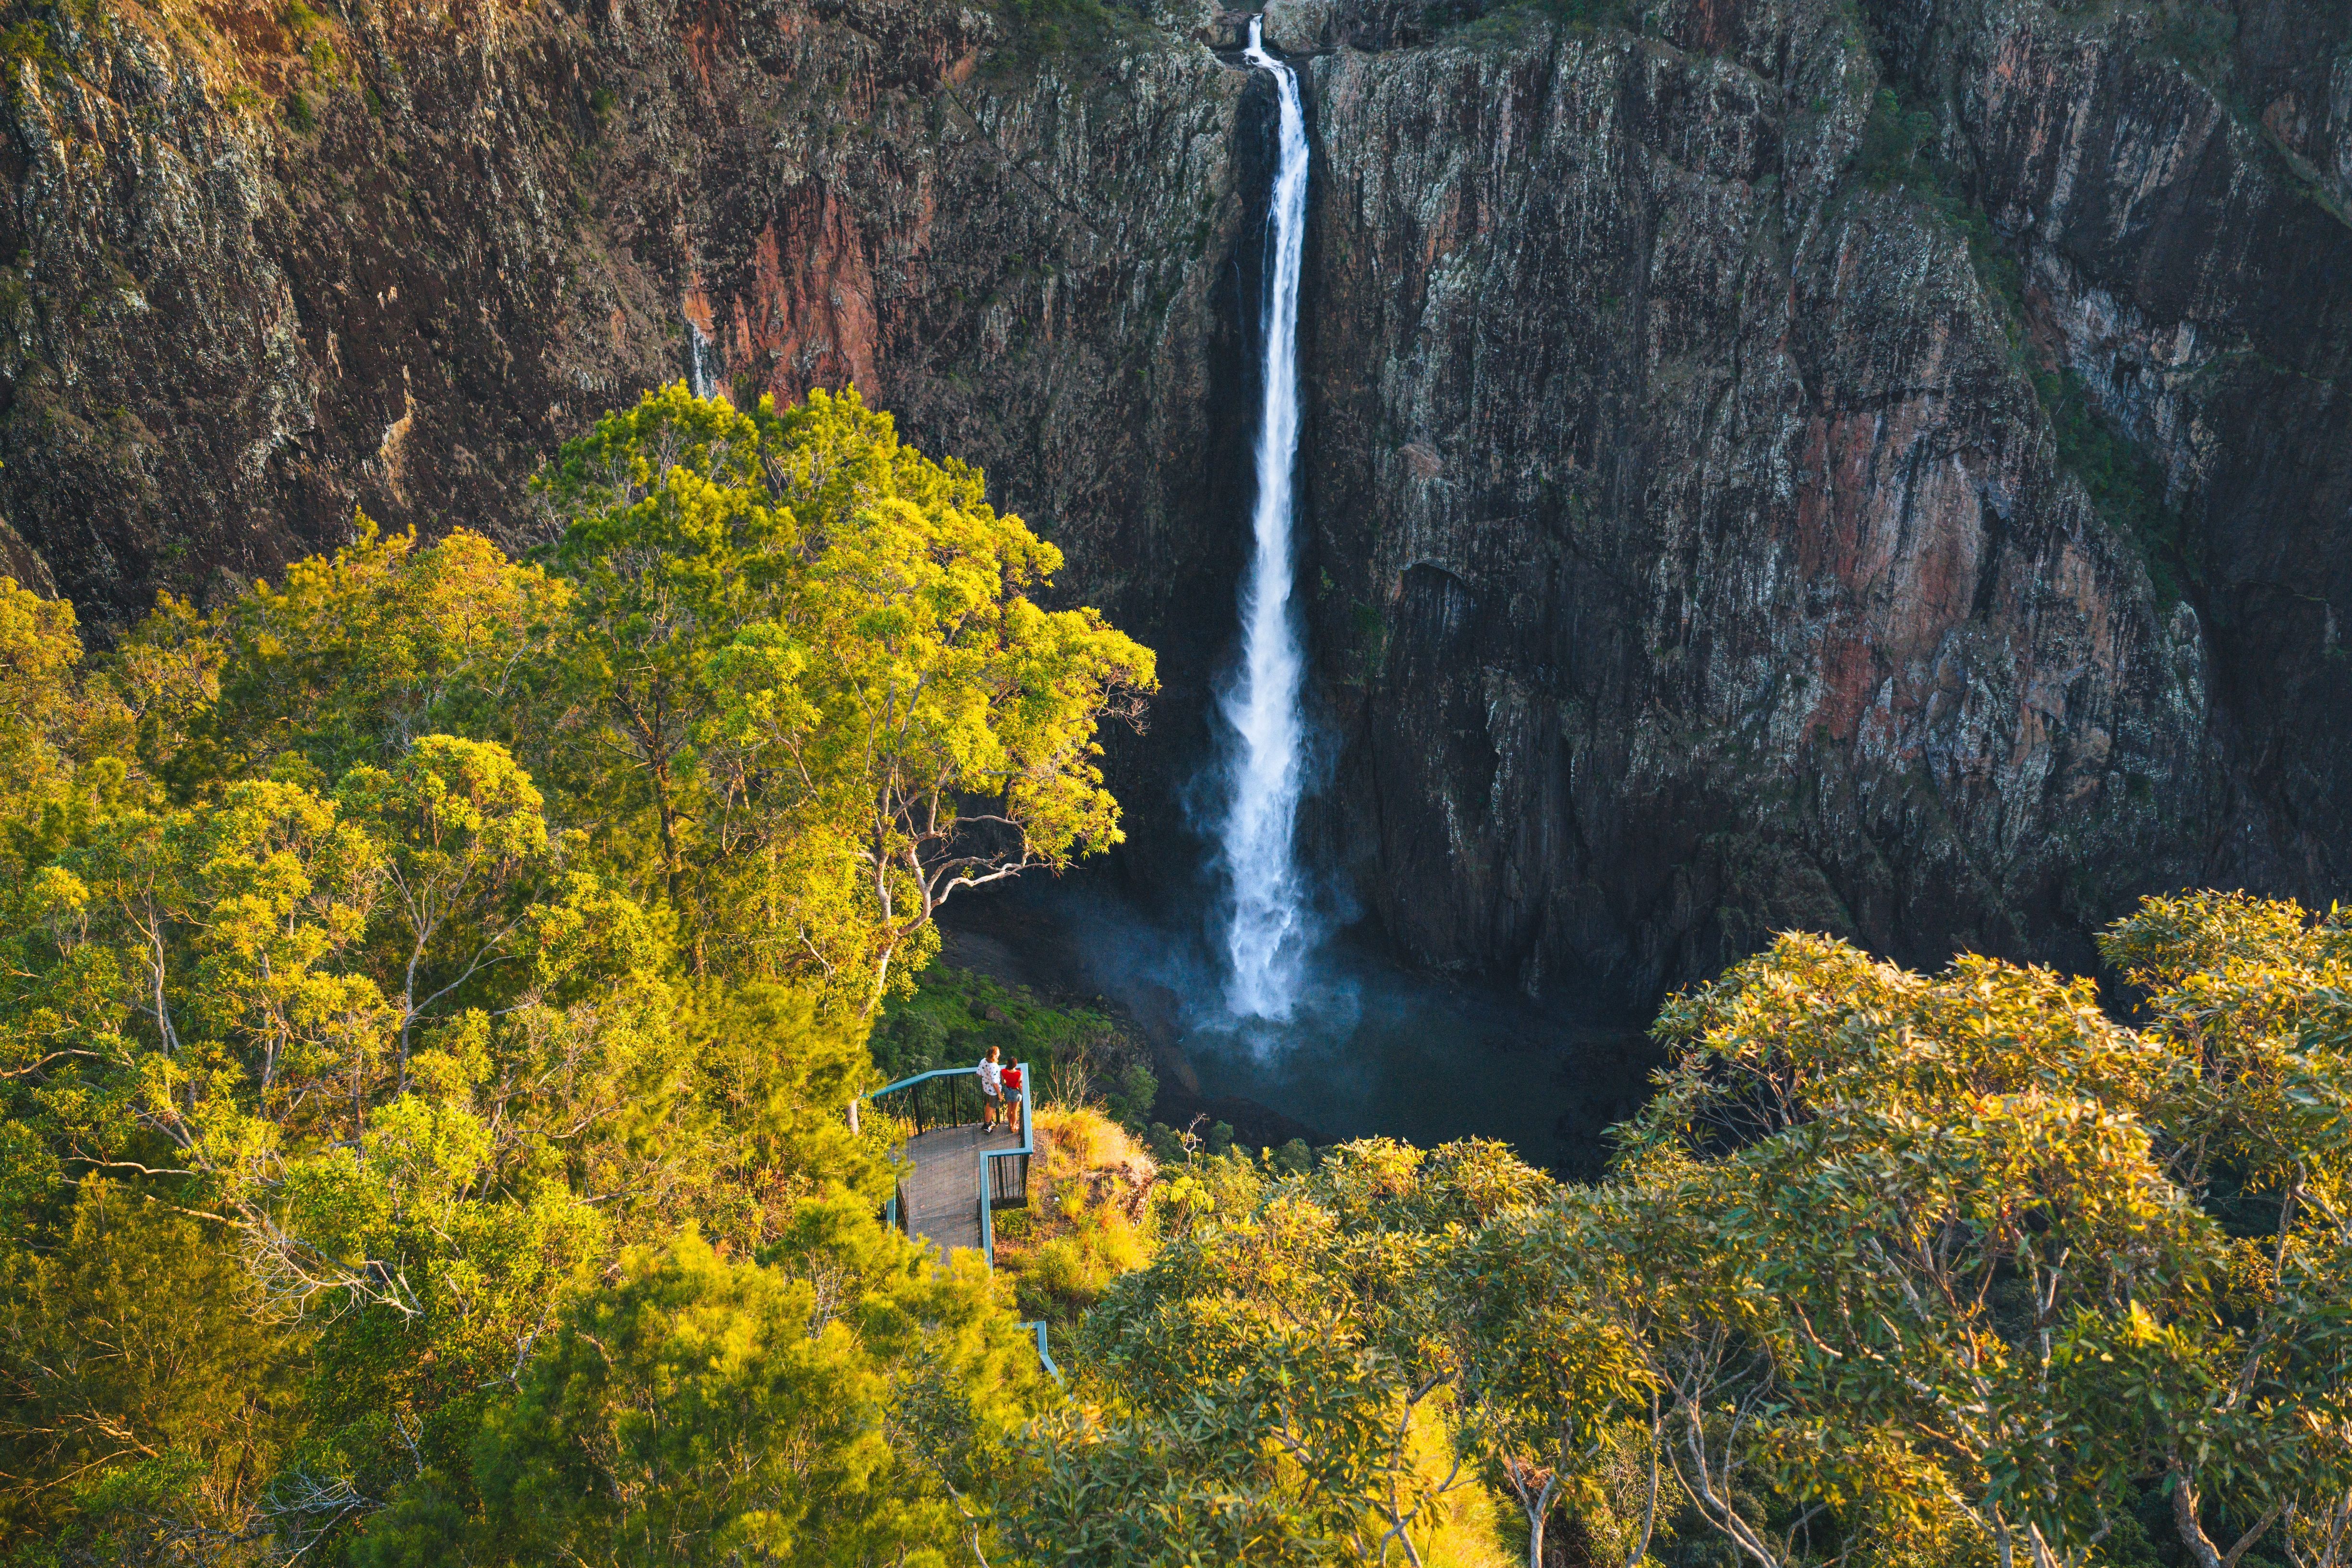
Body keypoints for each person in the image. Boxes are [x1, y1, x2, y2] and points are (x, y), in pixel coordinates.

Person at [977, 1046, 1003, 1130]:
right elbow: (995, 1083)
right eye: (998, 1053)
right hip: (993, 1091)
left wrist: (986, 1077)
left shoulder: (983, 1061)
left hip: (986, 1088)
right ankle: (986, 1126)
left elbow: (979, 1074)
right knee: (991, 1107)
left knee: (988, 1105)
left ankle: (988, 1122)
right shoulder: (994, 1066)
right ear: (995, 1054)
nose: (999, 1054)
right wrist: (999, 1094)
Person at [1000, 1061, 1025, 1138]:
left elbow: (1003, 1081)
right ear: (1015, 1065)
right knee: (1015, 1110)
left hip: (1008, 1090)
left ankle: (1010, 1124)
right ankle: (1013, 1127)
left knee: (1009, 1109)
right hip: (1015, 1091)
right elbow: (1020, 1084)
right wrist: (1022, 1093)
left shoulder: (1003, 1071)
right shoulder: (1019, 1073)